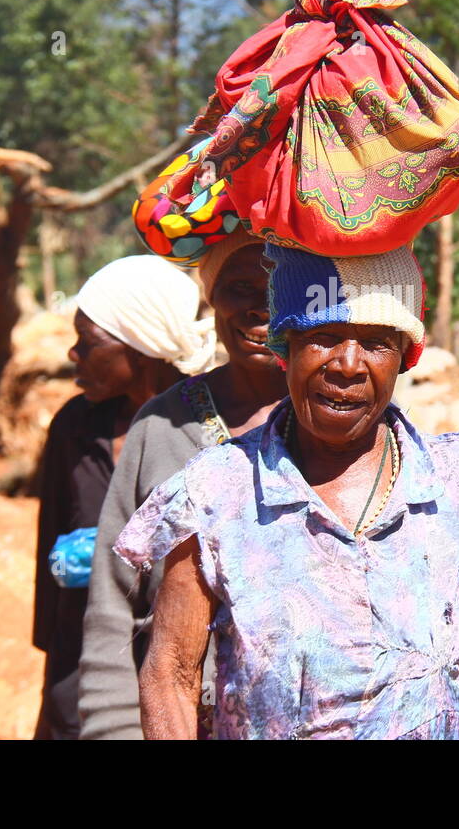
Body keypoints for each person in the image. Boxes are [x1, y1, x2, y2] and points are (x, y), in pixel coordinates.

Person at [113, 244, 459, 739]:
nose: (347, 364)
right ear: (285, 347)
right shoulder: (216, 490)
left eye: (375, 343)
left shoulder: (453, 485)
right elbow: (171, 676)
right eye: (323, 337)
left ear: (403, 359)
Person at [76, 227, 288, 739]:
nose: (259, 309)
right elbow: (112, 603)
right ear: (210, 298)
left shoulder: (340, 426)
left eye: (278, 289)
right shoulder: (162, 427)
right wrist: (113, 729)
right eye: (239, 288)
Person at [32, 255, 216, 740]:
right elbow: (48, 540)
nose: (74, 355)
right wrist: (53, 687)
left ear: (140, 346)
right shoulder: (76, 427)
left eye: (88, 343)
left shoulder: (208, 431)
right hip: (86, 657)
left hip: (183, 672)